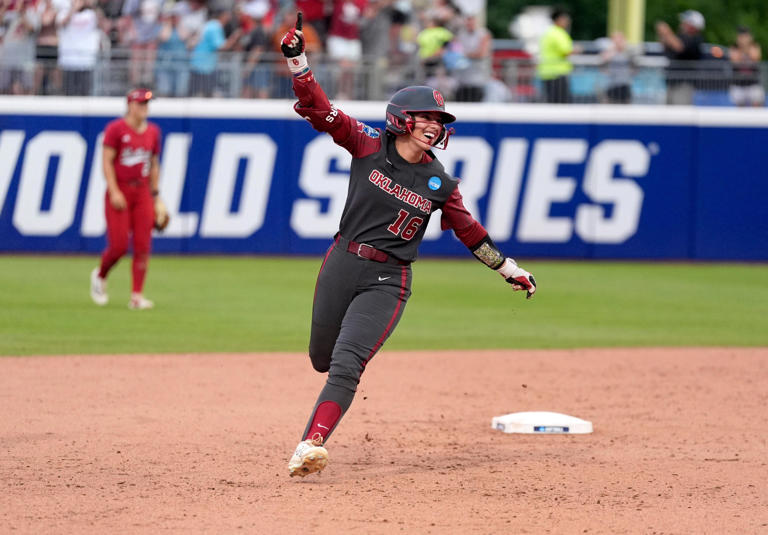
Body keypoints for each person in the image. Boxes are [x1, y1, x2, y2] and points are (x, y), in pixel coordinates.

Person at [279, 13, 537, 478]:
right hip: (342, 260)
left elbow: (468, 230)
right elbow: (320, 107)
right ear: (403, 118)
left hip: (389, 279)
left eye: (439, 120)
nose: (434, 125)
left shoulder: (440, 181)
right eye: (426, 117)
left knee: (346, 363)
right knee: (321, 357)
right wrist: (298, 62)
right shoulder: (367, 144)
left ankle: (310, 444)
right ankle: (317, 423)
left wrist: (507, 267)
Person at [90, 88, 169, 310]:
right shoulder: (116, 129)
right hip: (121, 190)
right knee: (118, 246)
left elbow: (153, 164)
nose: (145, 108)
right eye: (141, 104)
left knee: (143, 244)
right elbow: (107, 161)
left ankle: (136, 296)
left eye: (147, 104)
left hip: (142, 190)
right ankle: (101, 275)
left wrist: (156, 195)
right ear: (130, 105)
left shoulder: (153, 131)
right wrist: (113, 190)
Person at [655, 9, 704, 105]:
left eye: (685, 22)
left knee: (680, 114)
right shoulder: (681, 36)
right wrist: (663, 35)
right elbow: (667, 45)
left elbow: (679, 47)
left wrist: (667, 32)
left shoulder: (696, 39)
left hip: (684, 84)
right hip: (672, 82)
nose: (682, 24)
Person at [537, 7, 574, 104]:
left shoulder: (549, 32)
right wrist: (579, 49)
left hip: (547, 72)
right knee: (561, 103)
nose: (567, 21)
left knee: (552, 102)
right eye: (565, 19)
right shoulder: (559, 33)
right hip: (557, 73)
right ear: (559, 19)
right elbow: (566, 51)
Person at [729, 26, 764, 107]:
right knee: (740, 109)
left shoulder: (755, 46)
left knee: (757, 105)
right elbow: (735, 60)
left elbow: (756, 58)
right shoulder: (734, 47)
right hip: (738, 83)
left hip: (753, 82)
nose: (743, 39)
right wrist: (742, 47)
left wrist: (746, 47)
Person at [600, 31, 634, 104]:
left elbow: (635, 64)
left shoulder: (628, 52)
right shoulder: (609, 51)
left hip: (624, 84)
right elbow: (602, 62)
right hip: (612, 84)